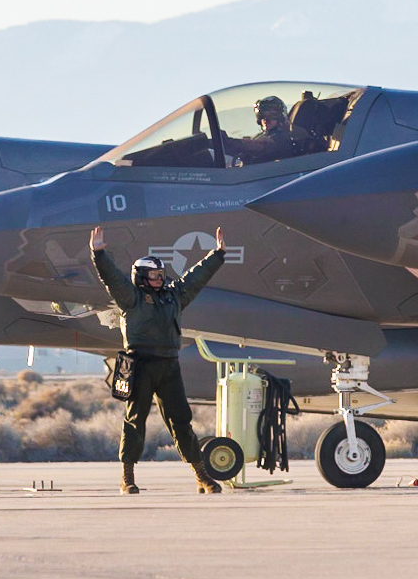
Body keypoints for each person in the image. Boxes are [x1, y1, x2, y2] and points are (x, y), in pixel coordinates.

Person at [90, 224, 228, 494]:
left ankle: (202, 477)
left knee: (182, 421)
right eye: (154, 275)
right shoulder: (131, 298)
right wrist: (99, 255)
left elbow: (196, 278)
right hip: (139, 365)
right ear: (141, 276)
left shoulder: (174, 296)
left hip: (169, 365)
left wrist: (218, 254)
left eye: (161, 275)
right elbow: (112, 278)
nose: (159, 279)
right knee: (134, 421)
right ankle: (127, 479)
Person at [226, 96, 306, 164]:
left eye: (271, 116)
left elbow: (260, 146)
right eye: (262, 116)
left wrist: (229, 142)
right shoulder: (260, 136)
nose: (266, 120)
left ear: (280, 117)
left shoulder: (280, 138)